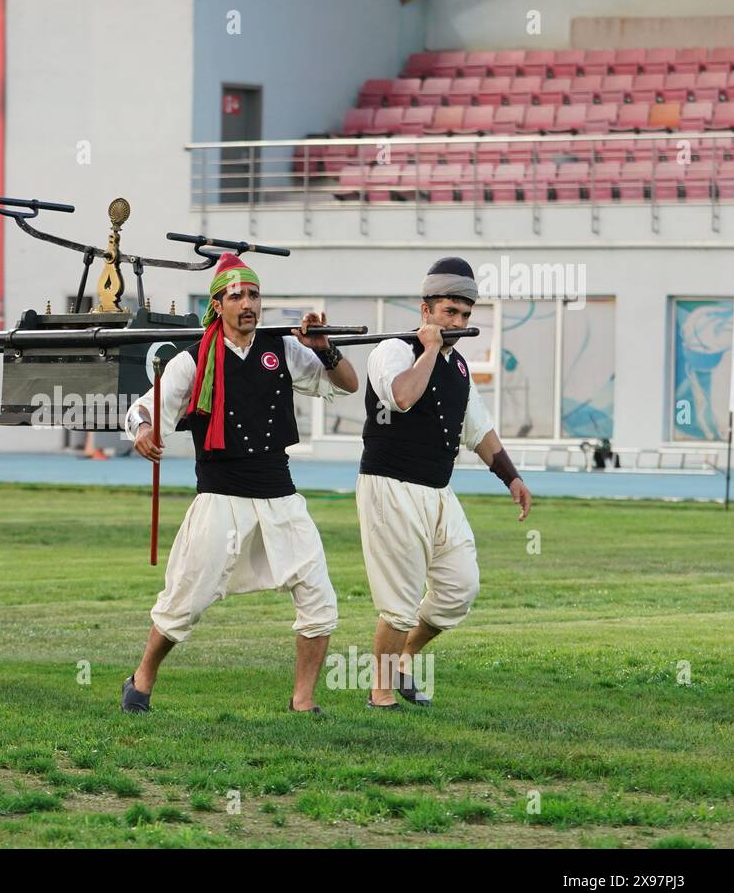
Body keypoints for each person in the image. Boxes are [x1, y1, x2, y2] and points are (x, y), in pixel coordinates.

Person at [122, 253, 359, 714]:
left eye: (254, 295)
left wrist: (324, 346)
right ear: (218, 304)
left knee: (319, 599)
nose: (248, 304)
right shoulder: (191, 362)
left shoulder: (285, 349)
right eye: (238, 296)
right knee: (183, 604)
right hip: (220, 499)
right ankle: (142, 679)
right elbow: (144, 408)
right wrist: (143, 432)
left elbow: (347, 384)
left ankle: (303, 702)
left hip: (280, 496)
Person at [358, 256, 533, 710]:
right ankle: (379, 695)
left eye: (464, 315)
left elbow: (478, 431)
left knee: (460, 588)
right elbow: (401, 396)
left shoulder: (459, 370)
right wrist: (431, 349)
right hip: (390, 486)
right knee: (398, 601)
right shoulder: (392, 351)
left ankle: (404, 658)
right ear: (426, 311)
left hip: (438, 490)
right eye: (448, 313)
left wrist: (511, 477)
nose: (456, 322)